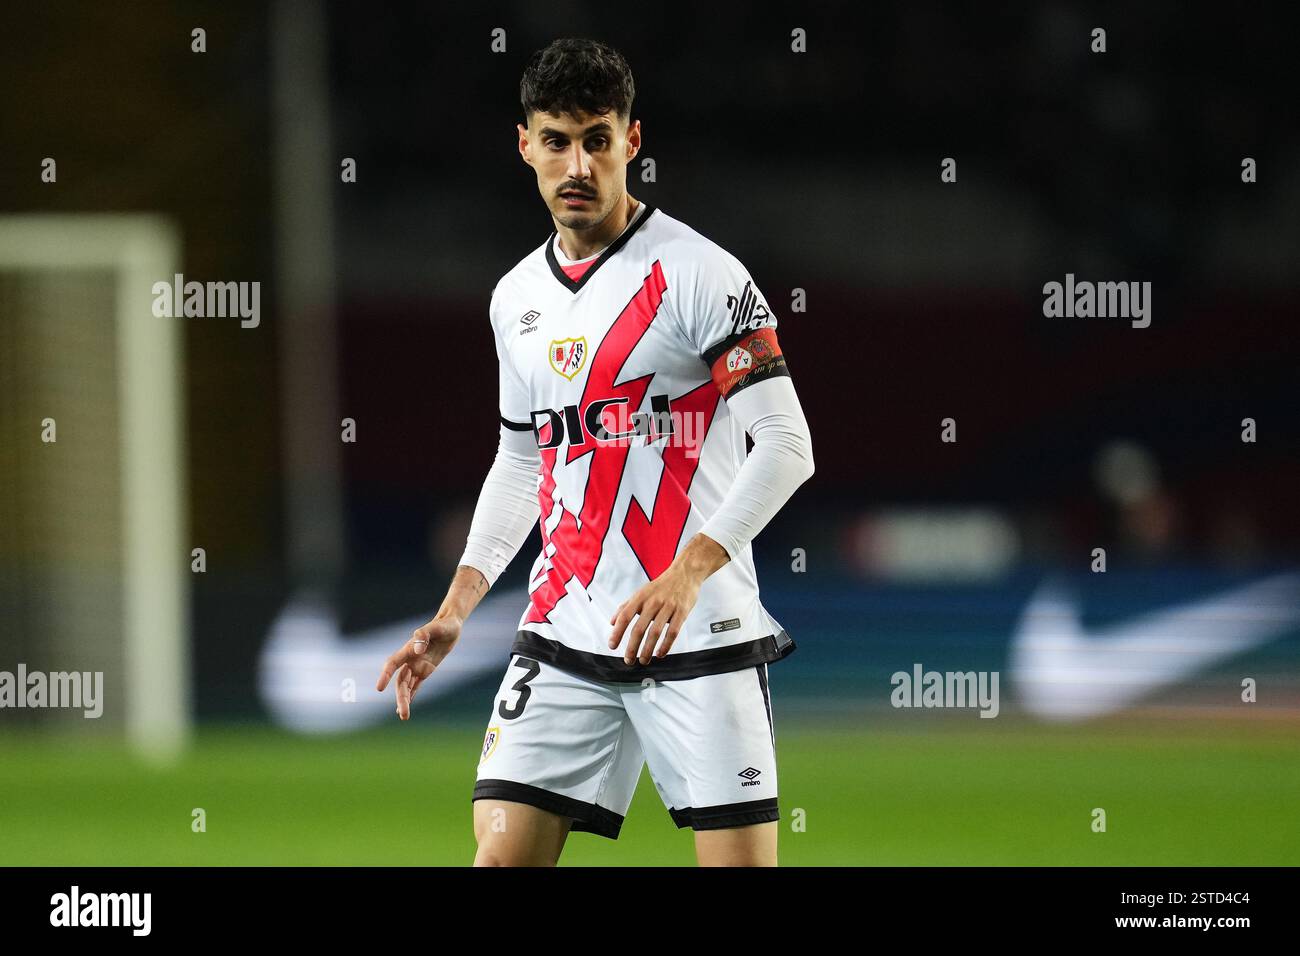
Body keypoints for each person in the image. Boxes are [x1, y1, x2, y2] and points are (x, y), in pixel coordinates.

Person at [377, 37, 814, 866]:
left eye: (597, 140)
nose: (577, 165)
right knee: (499, 857)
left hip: (697, 631)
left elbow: (788, 444)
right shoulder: (515, 298)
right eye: (556, 140)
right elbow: (523, 462)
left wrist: (690, 571)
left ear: (631, 141)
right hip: (565, 629)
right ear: (525, 145)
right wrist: (457, 608)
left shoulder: (701, 275)